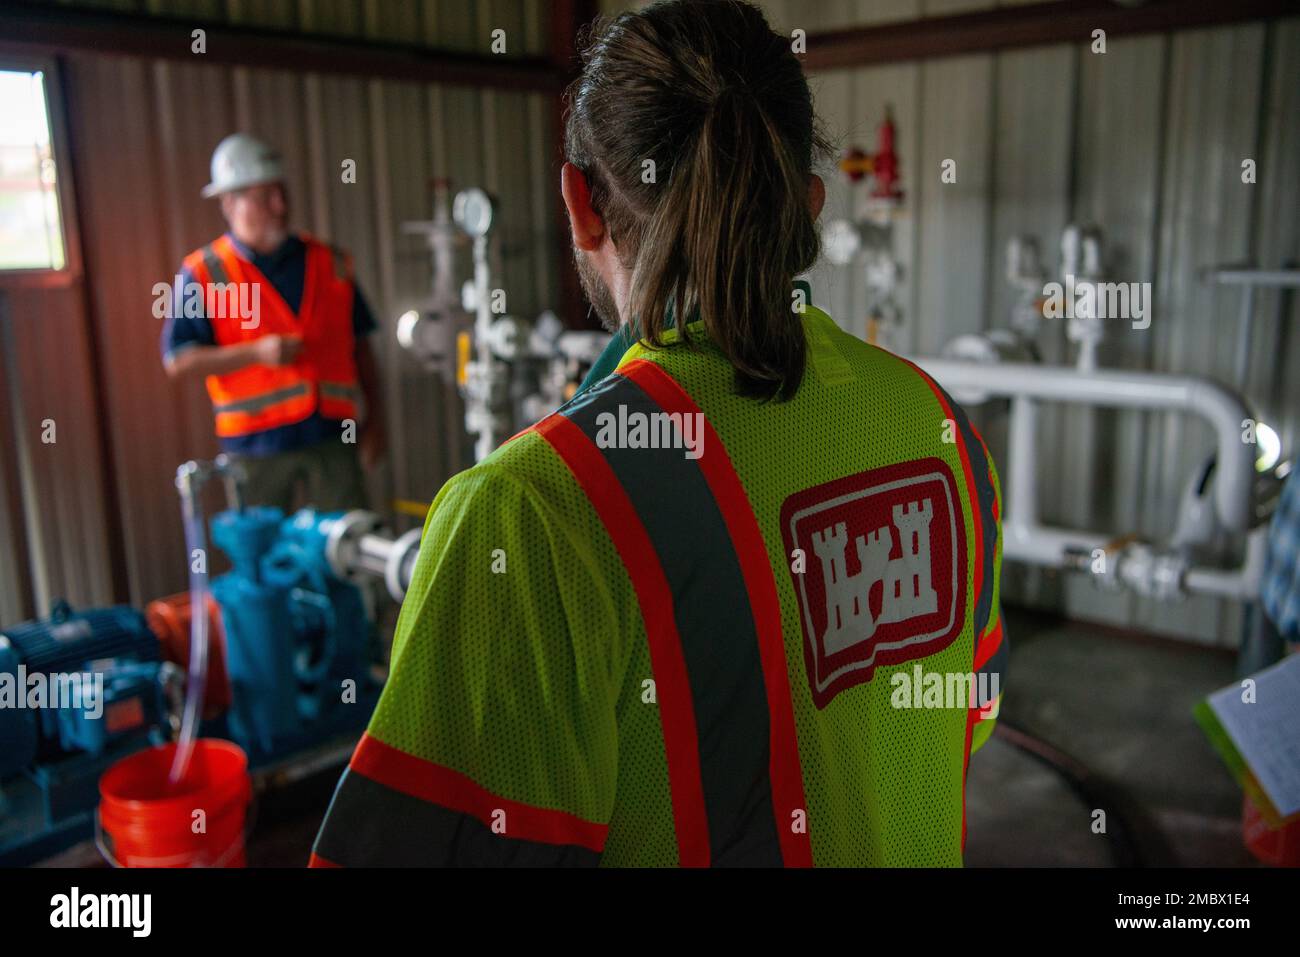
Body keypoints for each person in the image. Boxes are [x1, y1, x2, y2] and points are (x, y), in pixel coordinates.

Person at [312, 0, 1004, 867]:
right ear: (810, 205)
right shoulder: (940, 429)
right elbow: (962, 719)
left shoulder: (533, 512)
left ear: (580, 206)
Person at [160, 133, 386, 512]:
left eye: (282, 193)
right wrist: (256, 353)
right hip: (254, 450)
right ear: (230, 203)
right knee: (262, 558)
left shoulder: (329, 262)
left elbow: (361, 345)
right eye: (265, 197)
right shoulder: (204, 273)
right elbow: (178, 360)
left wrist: (376, 421)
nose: (280, 206)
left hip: (333, 438)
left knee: (345, 550)